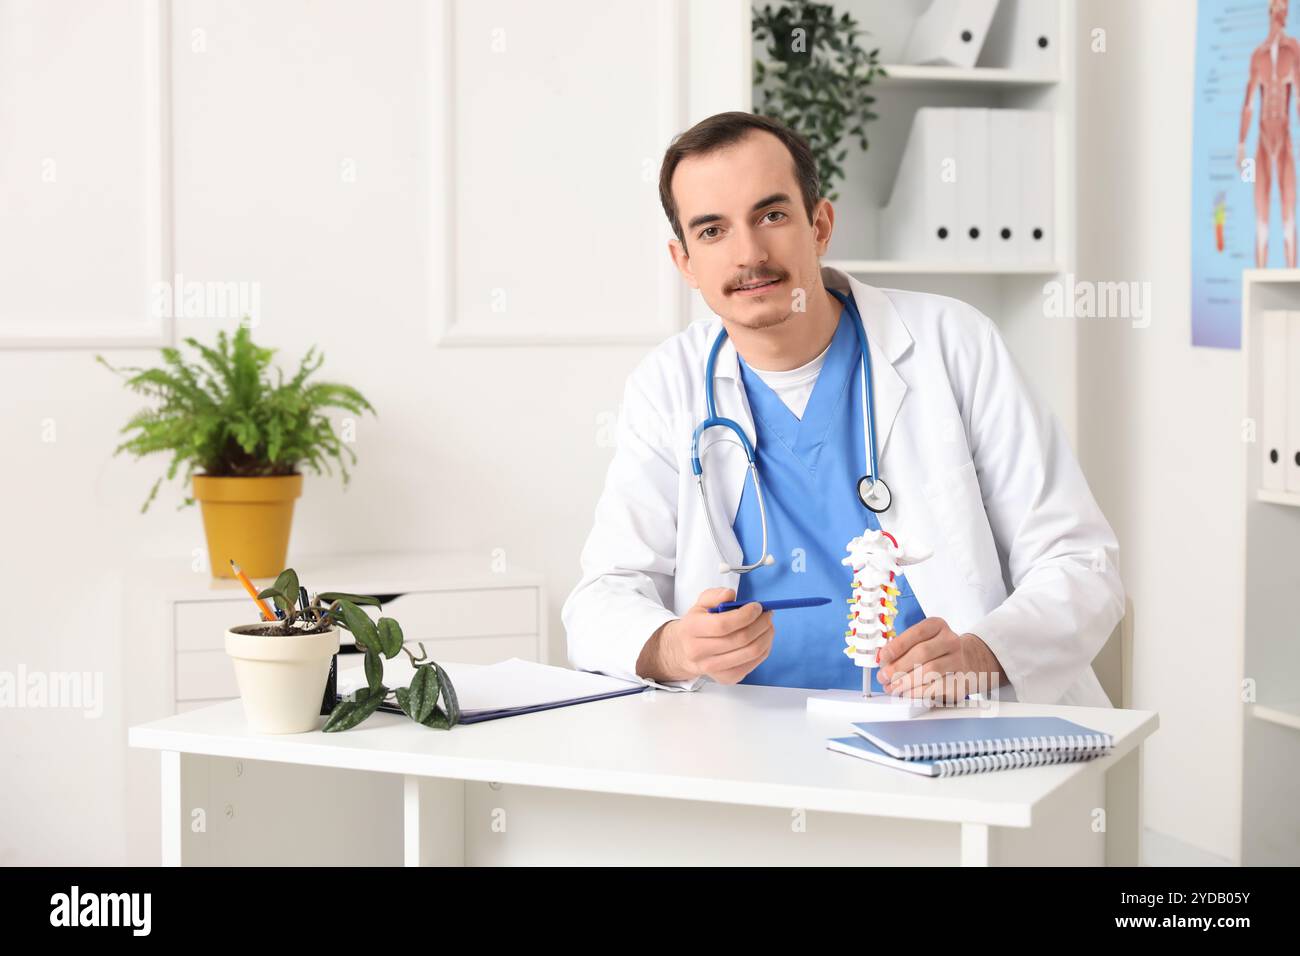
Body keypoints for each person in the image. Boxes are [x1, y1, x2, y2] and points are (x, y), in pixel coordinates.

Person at [561, 112, 1124, 707]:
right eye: (712, 231)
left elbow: (1080, 563)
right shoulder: (667, 384)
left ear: (820, 224)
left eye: (771, 215)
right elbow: (601, 598)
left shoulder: (952, 343)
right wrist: (674, 647)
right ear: (684, 263)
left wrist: (982, 655)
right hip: (745, 740)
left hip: (944, 728)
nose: (749, 254)